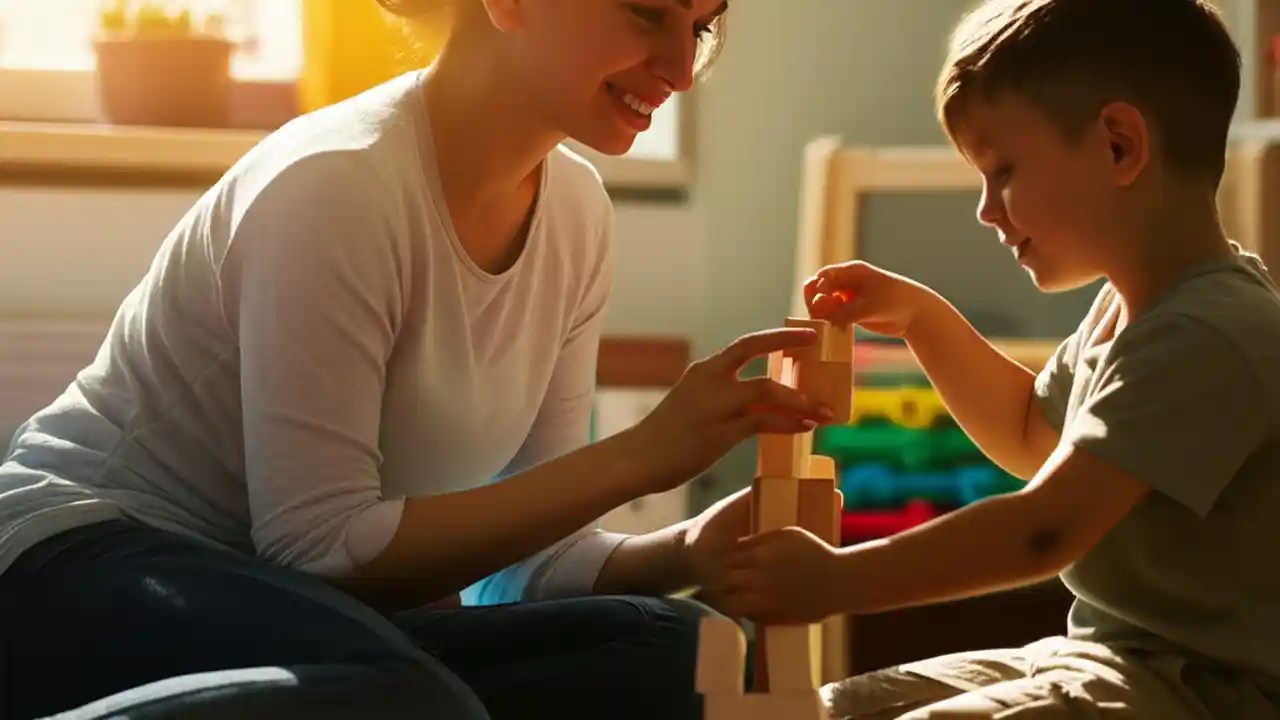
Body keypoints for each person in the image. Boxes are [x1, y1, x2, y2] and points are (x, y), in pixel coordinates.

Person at [0, 0, 836, 718]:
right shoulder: (340, 185)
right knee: (405, 701)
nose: (681, 70)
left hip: (298, 604)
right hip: (78, 563)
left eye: (701, 27)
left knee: (676, 652)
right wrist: (638, 458)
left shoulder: (577, 213)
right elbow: (319, 547)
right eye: (647, 12)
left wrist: (687, 551)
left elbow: (523, 563)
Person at [713, 0, 1280, 717]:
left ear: (1118, 146)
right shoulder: (1129, 313)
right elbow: (1028, 434)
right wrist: (923, 319)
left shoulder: (1210, 333)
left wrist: (836, 580)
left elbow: (1044, 528)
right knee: (839, 708)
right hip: (1112, 656)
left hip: (1211, 689)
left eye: (1003, 170)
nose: (986, 209)